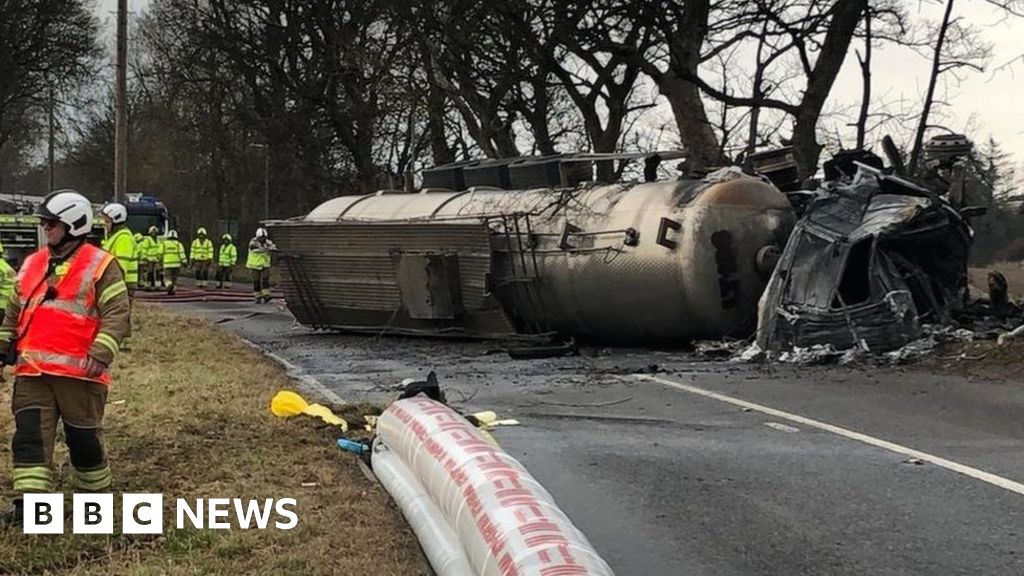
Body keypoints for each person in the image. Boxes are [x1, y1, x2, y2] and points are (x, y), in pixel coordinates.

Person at [0, 190, 130, 525]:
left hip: (80, 375)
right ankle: (32, 509)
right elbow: (14, 311)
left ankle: (93, 507)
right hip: (32, 372)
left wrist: (101, 352)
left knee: (83, 441)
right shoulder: (33, 263)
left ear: (73, 224)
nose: (45, 228)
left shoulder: (101, 265)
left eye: (51, 223)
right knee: (30, 440)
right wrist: (2, 346)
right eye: (44, 223)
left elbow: (118, 314)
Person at [99, 203, 139, 295]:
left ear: (116, 221)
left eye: (107, 222)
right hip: (117, 284)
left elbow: (121, 267)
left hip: (122, 285)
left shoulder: (124, 238)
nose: (105, 225)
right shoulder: (115, 237)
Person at [246, 227, 275, 303]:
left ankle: (266, 295)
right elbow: (257, 250)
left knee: (265, 280)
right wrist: (267, 249)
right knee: (256, 281)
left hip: (265, 265)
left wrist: (271, 248)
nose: (263, 239)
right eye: (261, 238)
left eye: (264, 238)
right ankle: (257, 296)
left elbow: (273, 248)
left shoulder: (268, 242)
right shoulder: (253, 243)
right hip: (254, 265)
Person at [162, 230, 187, 295]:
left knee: (167, 278)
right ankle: (173, 290)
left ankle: (169, 285)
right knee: (175, 279)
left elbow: (159, 253)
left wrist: (159, 260)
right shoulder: (179, 244)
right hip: (177, 265)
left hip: (167, 264)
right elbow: (182, 254)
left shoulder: (164, 244)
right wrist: (184, 262)